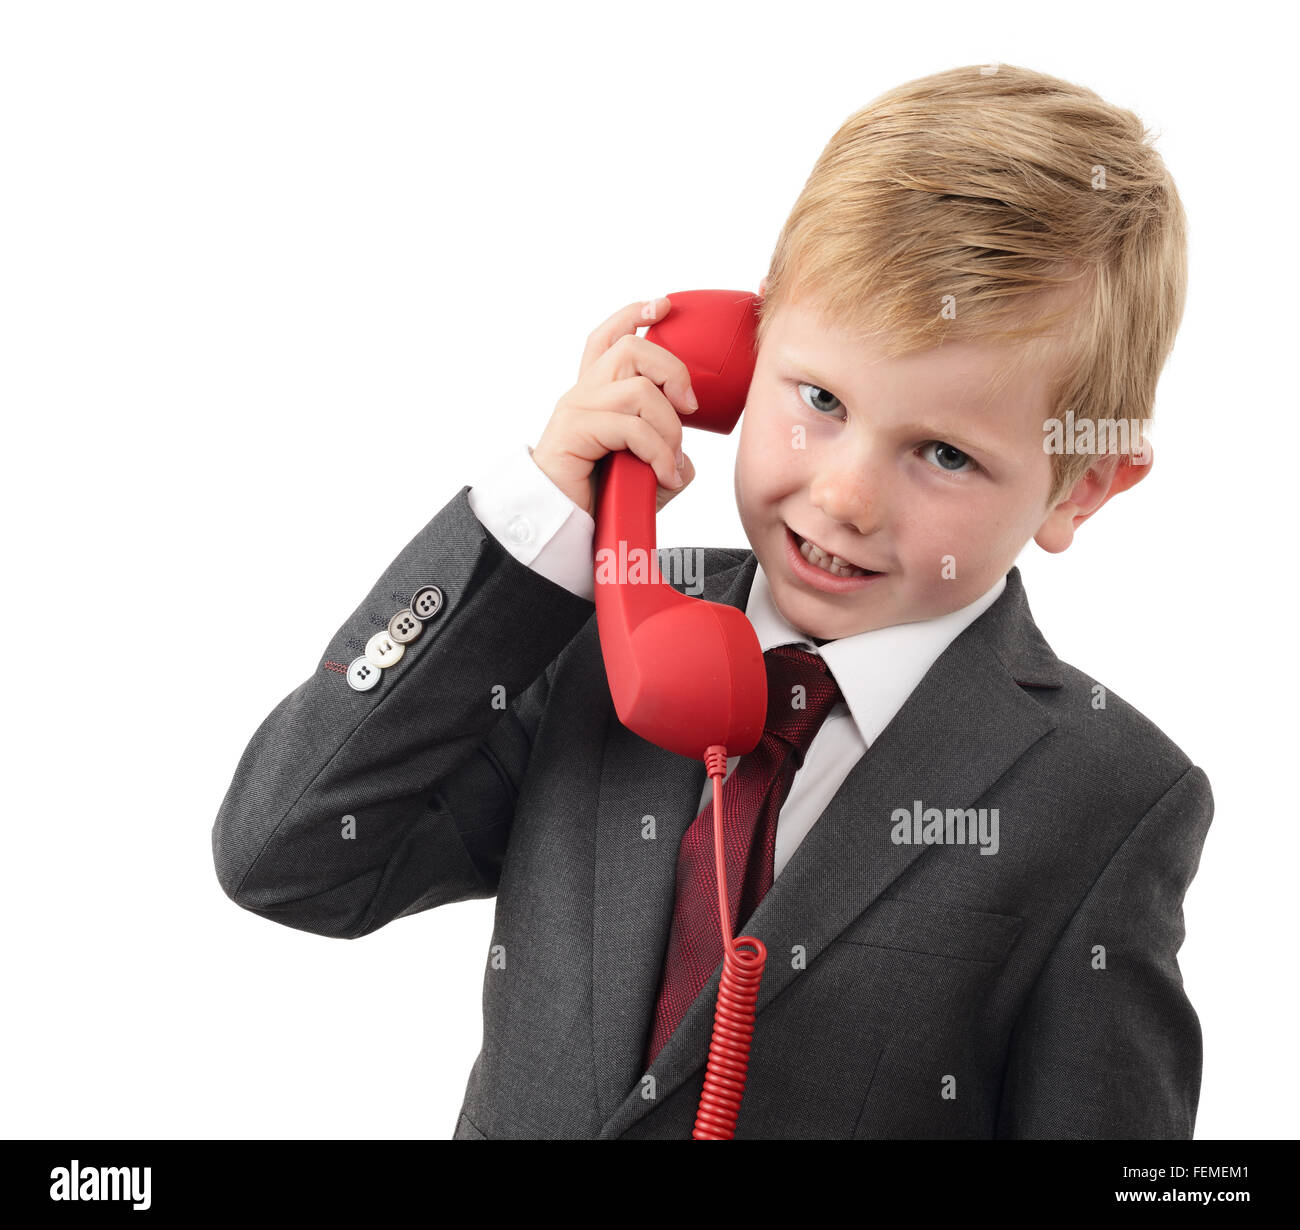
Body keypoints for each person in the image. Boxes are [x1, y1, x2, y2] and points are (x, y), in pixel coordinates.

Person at [212, 63, 1212, 1139]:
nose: (842, 496)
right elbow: (291, 860)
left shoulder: (1108, 799)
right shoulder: (594, 627)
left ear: (1082, 485)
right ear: (740, 354)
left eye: (943, 453)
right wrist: (541, 525)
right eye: (818, 398)